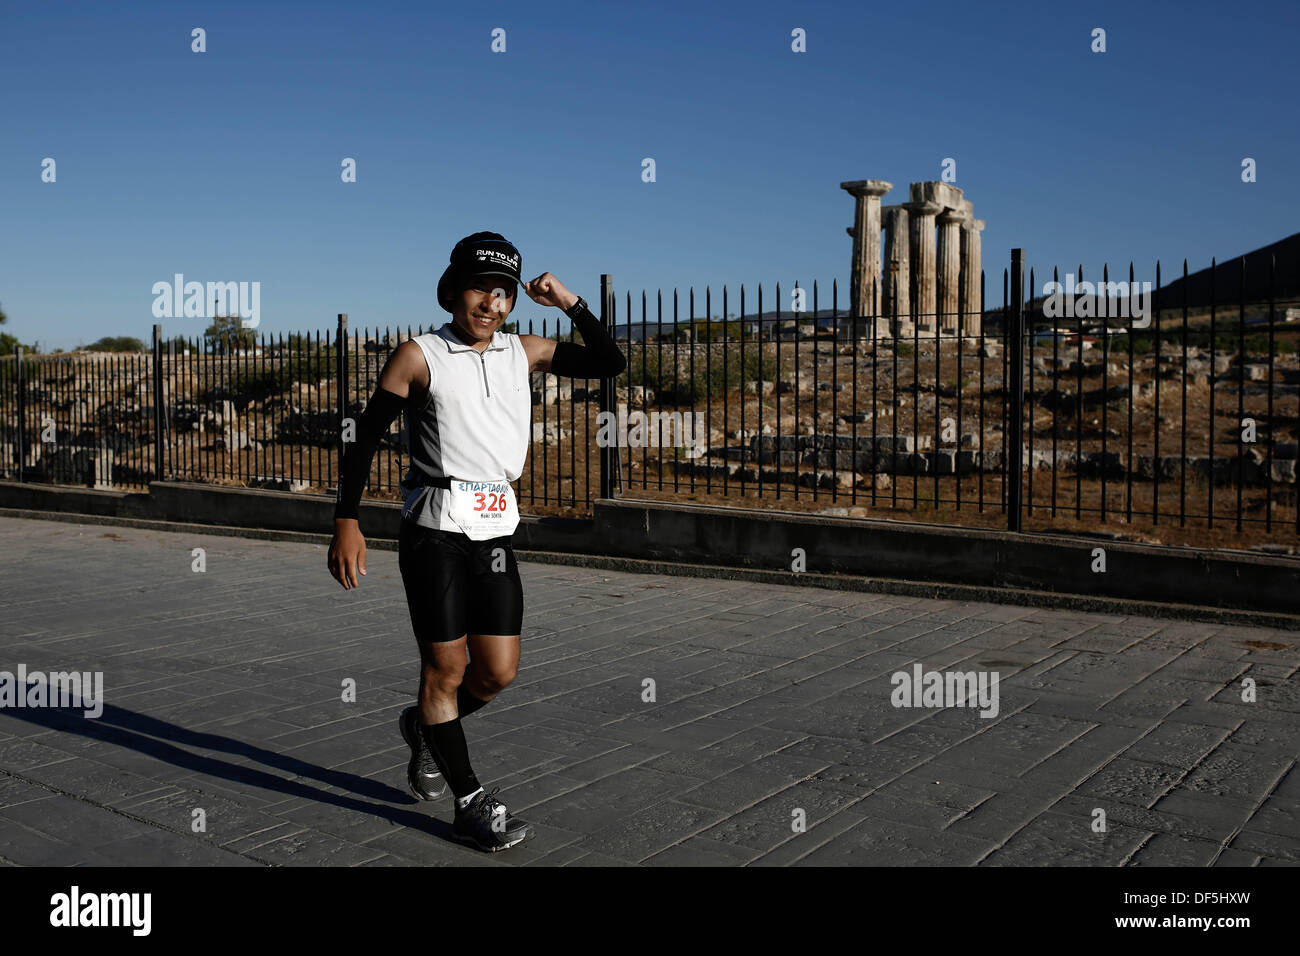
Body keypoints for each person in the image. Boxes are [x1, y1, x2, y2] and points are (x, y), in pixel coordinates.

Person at [327, 232, 625, 852]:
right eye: (478, 289)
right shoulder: (419, 355)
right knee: (446, 666)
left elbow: (610, 362)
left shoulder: (526, 351)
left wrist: (568, 301)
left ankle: (424, 728)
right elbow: (364, 440)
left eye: (503, 293)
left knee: (497, 673)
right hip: (433, 529)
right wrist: (346, 520)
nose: (490, 303)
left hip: (494, 529)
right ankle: (468, 801)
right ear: (452, 291)